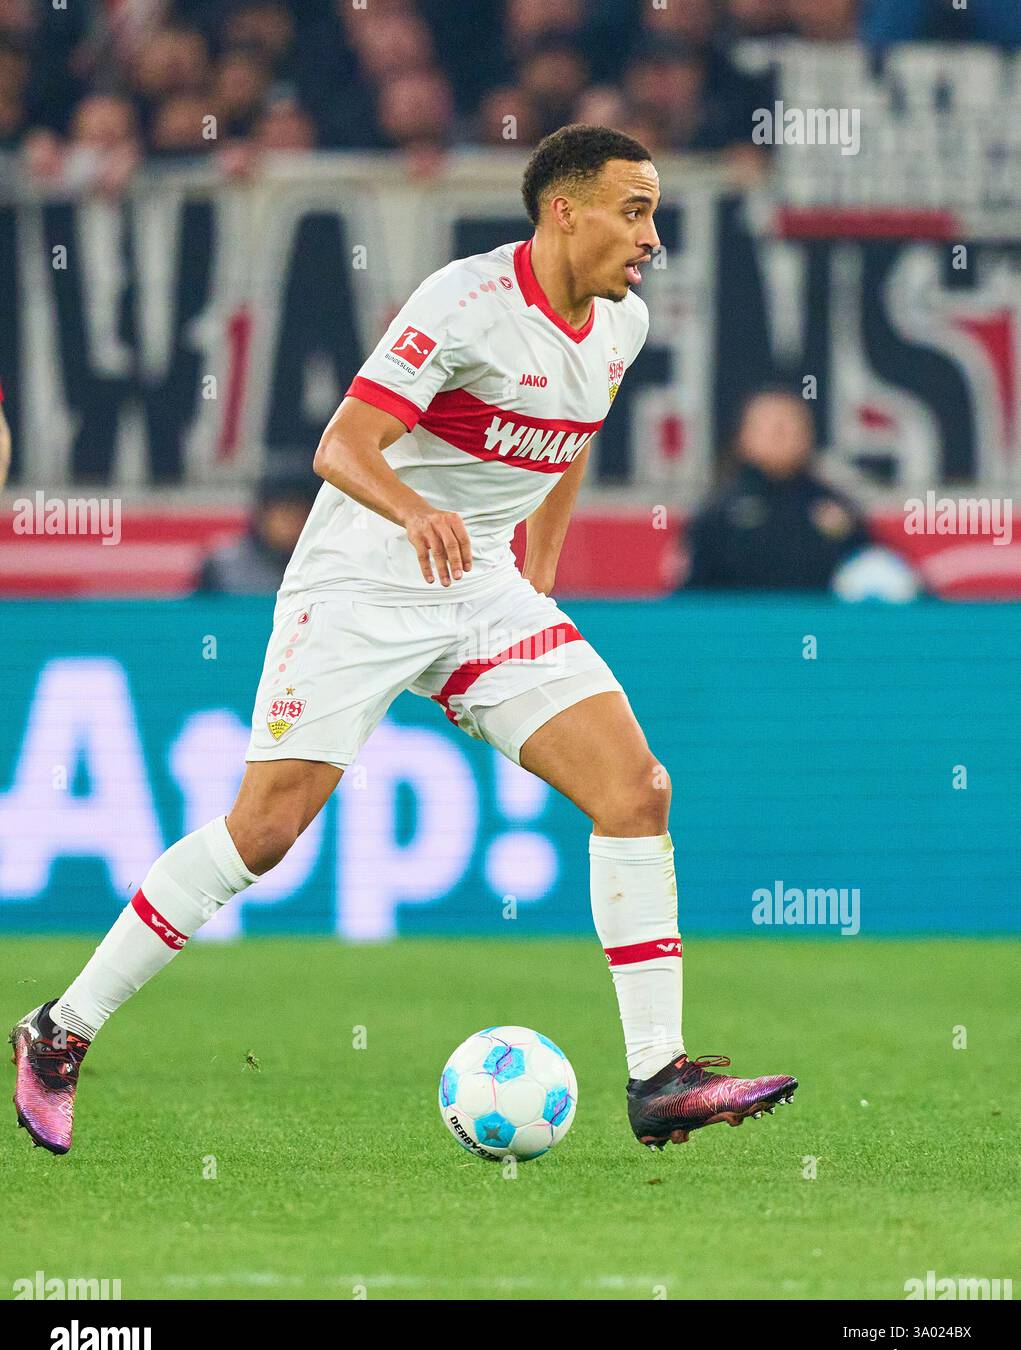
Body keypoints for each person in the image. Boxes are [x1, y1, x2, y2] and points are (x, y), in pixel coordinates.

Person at [11, 124, 796, 1157]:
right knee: (265, 830)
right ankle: (57, 1033)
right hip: (364, 582)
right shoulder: (464, 302)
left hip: (481, 588)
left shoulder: (622, 328)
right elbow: (344, 444)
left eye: (654, 212)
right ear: (564, 211)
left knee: (635, 789)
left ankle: (656, 1075)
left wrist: (540, 572)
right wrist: (413, 513)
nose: (651, 236)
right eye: (633, 209)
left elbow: (568, 444)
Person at [684, 387, 873, 591]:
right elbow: (692, 596)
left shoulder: (835, 509)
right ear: (743, 436)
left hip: (817, 622)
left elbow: (874, 574)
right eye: (773, 428)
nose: (782, 436)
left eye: (792, 427)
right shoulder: (717, 513)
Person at [195, 464, 321, 596]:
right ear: (262, 515)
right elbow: (203, 614)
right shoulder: (222, 568)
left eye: (301, 515)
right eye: (285, 513)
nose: (293, 523)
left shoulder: (330, 565)